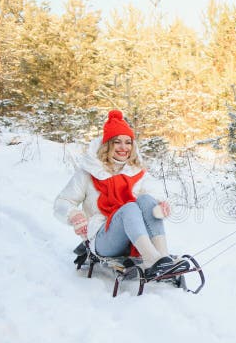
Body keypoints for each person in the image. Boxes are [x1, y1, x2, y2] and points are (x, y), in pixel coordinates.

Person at [54, 110, 176, 280]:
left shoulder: (137, 172)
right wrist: (74, 215)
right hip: (103, 238)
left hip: (135, 235)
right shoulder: (88, 173)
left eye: (128, 142)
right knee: (129, 208)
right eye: (117, 142)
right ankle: (151, 259)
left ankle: (162, 258)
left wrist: (161, 204)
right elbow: (63, 201)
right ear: (107, 145)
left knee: (147, 200)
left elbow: (154, 194)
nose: (123, 148)